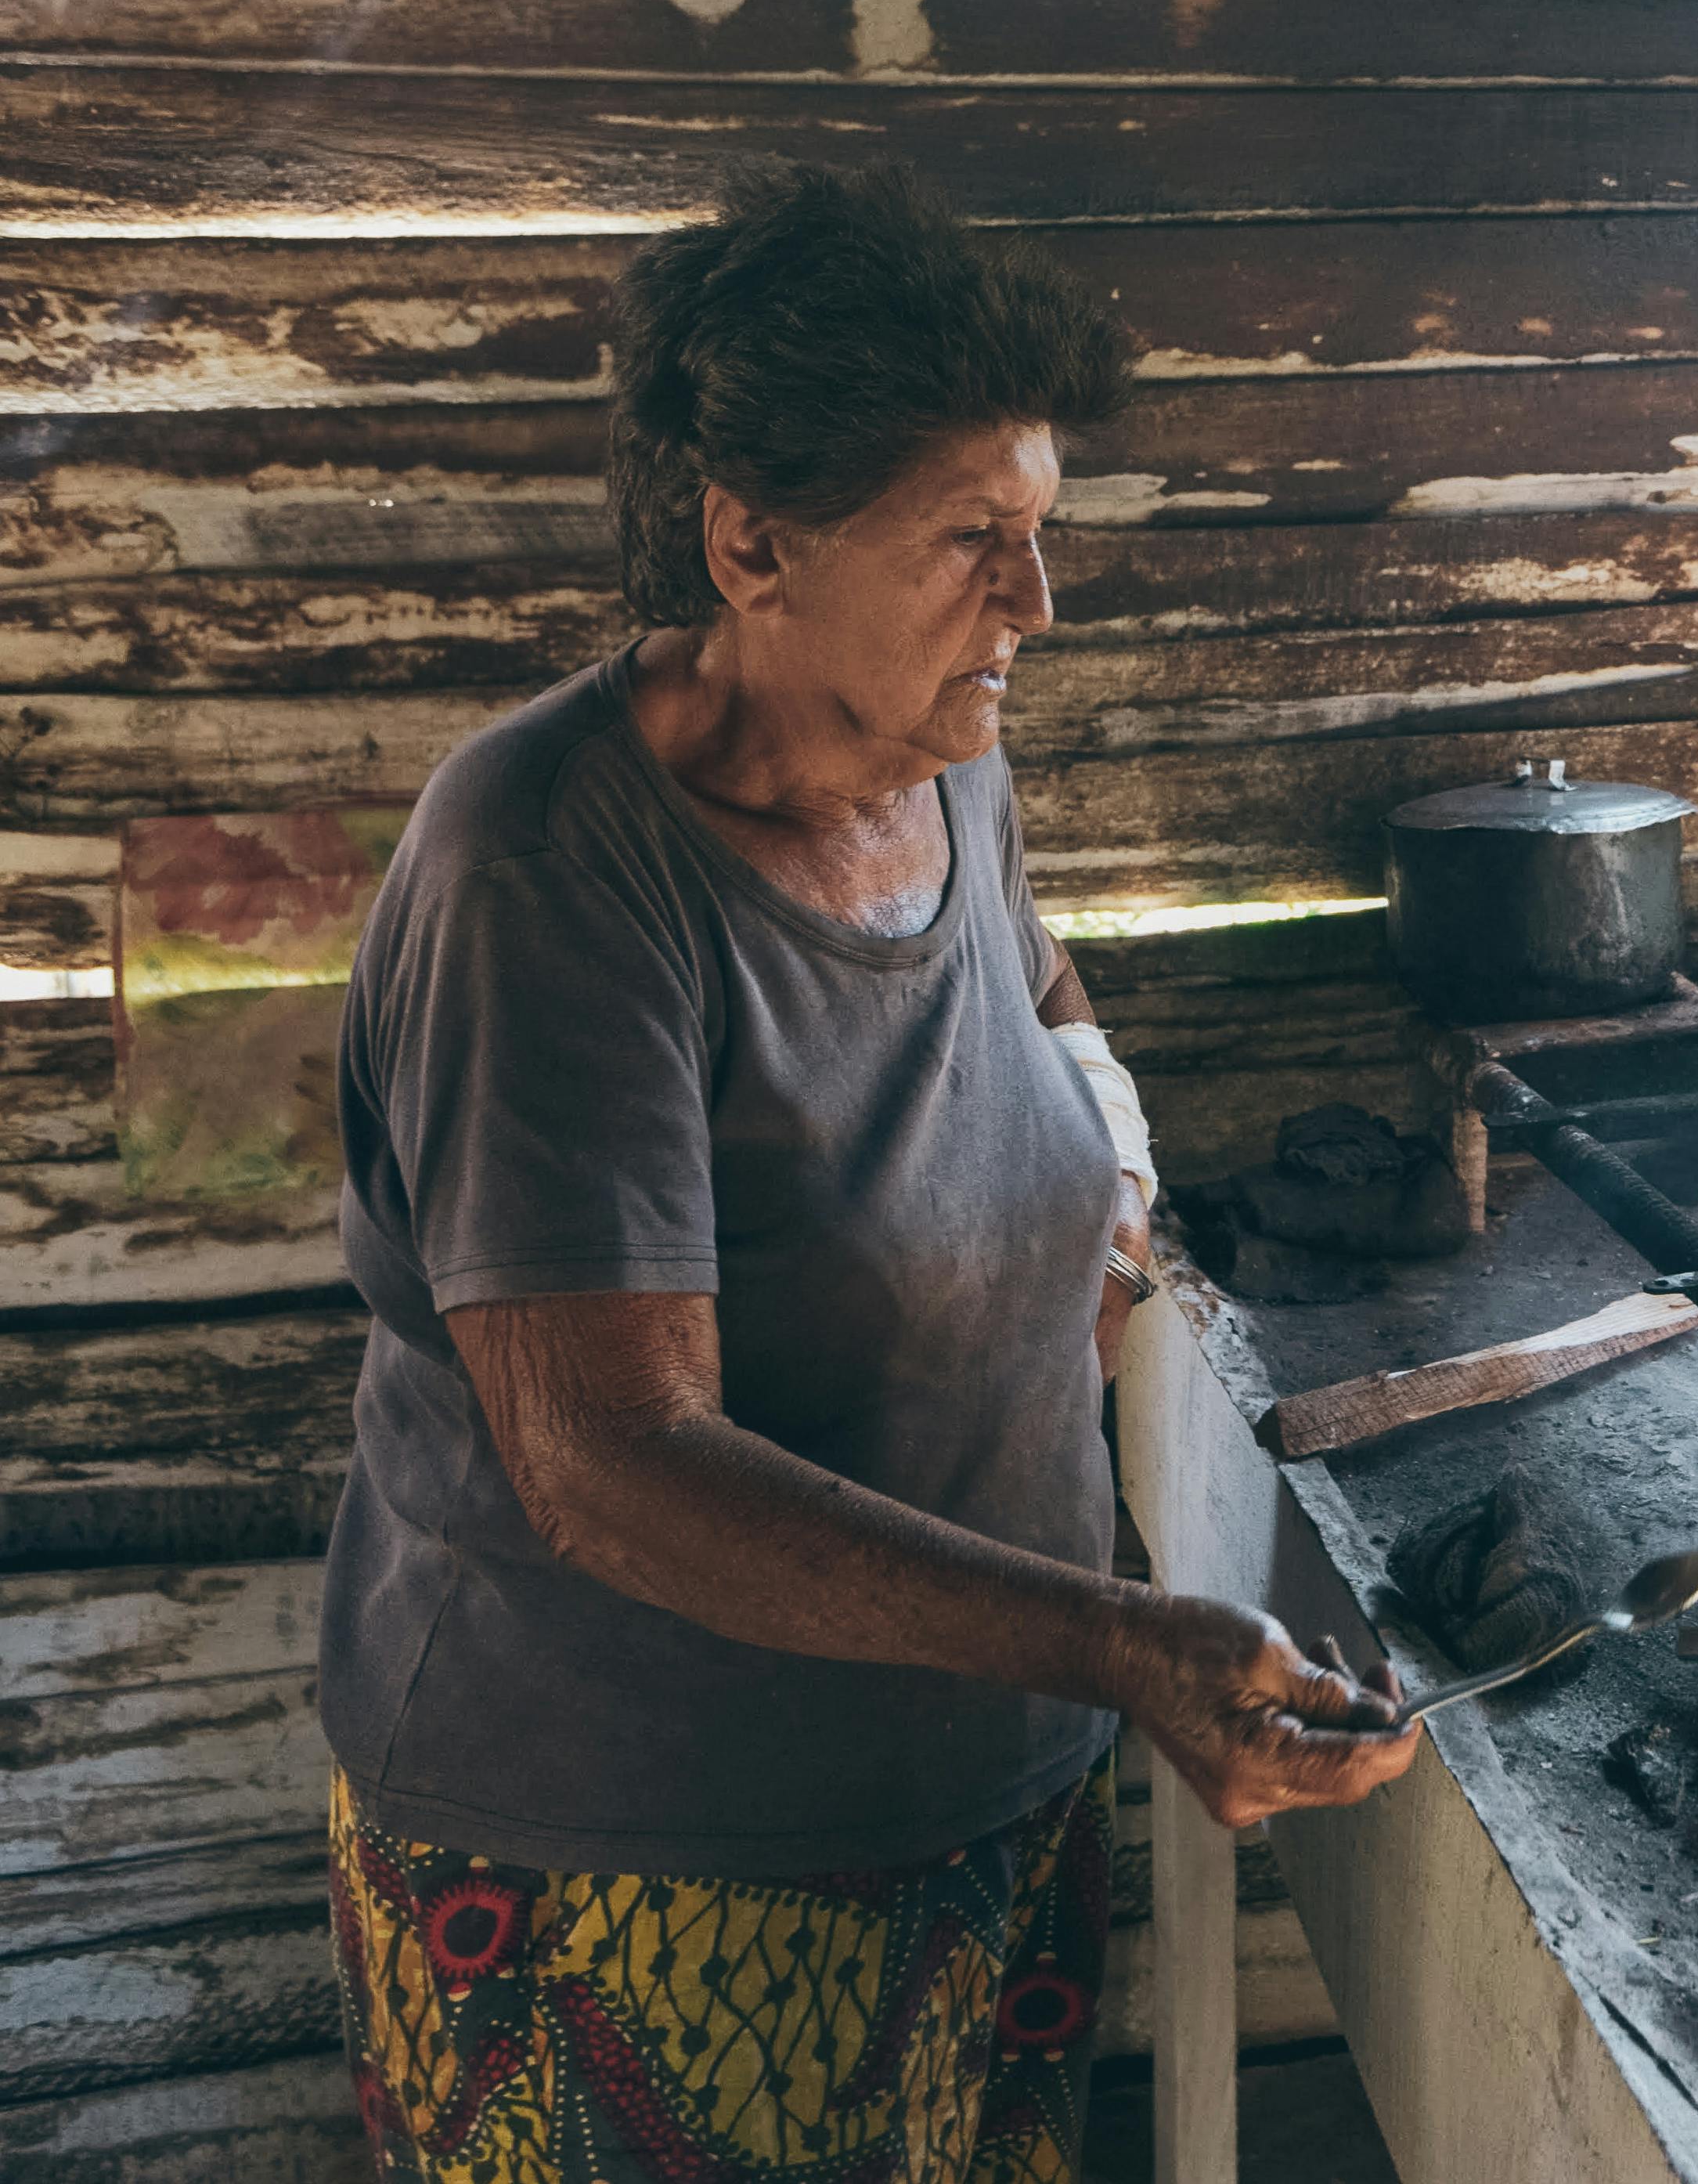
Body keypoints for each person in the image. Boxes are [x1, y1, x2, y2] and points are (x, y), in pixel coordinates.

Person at [318, 160, 1418, 2184]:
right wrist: (1117, 1638)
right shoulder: (549, 876)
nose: (1037, 601)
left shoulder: (940, 752)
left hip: (980, 1806)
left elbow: (1021, 952)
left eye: (1042, 535)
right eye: (972, 542)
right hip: (636, 1881)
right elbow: (611, 1460)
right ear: (751, 544)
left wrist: (1093, 1100)